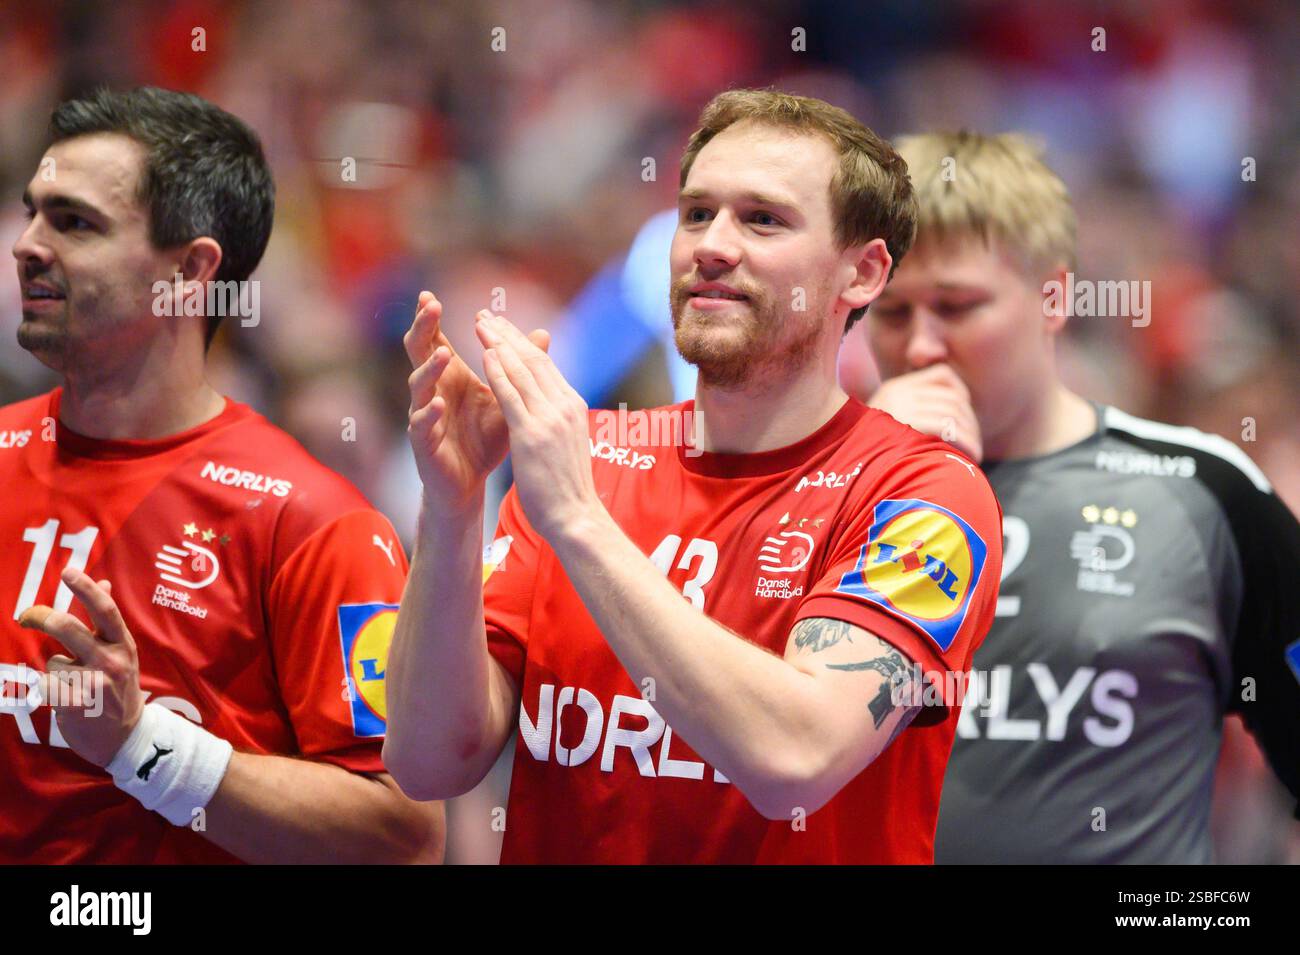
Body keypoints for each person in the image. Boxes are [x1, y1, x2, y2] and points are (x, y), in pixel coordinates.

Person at [384, 88, 1003, 863]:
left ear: (863, 272)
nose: (711, 245)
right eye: (696, 213)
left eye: (763, 219)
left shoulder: (924, 493)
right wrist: (453, 508)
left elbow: (795, 758)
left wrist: (578, 519)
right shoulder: (588, 457)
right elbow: (426, 760)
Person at [2, 86, 443, 863]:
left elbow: (403, 834)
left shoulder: (314, 522)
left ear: (191, 269)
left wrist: (141, 744)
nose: (28, 243)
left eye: (73, 222)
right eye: (33, 211)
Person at [864, 130, 1300, 863]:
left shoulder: (1206, 493)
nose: (919, 348)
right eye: (892, 311)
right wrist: (876, 467)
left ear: (1054, 296)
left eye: (957, 305)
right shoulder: (827, 494)